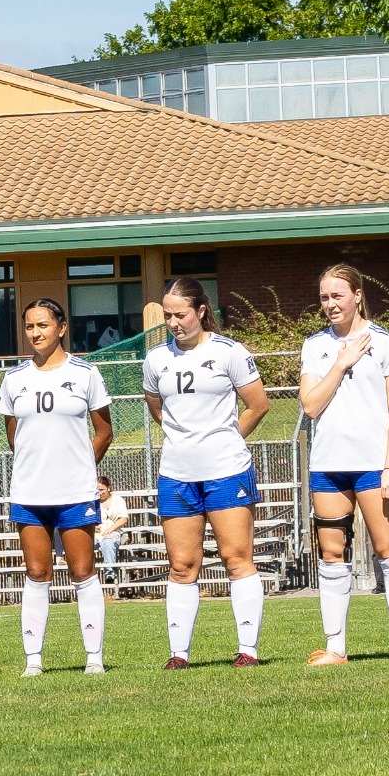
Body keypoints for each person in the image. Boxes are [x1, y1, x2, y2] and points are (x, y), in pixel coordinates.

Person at [142, 276, 271, 667]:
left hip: (226, 470)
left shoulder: (230, 352)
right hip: (177, 474)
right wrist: (186, 440)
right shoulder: (156, 359)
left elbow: (258, 405)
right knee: (181, 564)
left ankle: (247, 650)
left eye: (181, 314)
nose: (174, 322)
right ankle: (179, 655)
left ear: (200, 311)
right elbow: (156, 406)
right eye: (167, 316)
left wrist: (225, 440)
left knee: (236, 558)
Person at [299, 263, 389, 665]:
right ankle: (336, 648)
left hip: (373, 464)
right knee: (332, 553)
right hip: (328, 466)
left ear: (358, 295)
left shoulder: (385, 342)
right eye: (324, 298)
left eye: (337, 296)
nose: (330, 304)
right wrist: (342, 362)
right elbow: (311, 405)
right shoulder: (315, 346)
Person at [0, 299, 114, 676]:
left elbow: (103, 431)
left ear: (61, 328)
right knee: (36, 572)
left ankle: (94, 659)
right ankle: (34, 662)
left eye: (43, 325)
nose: (36, 333)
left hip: (74, 491)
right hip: (30, 493)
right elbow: (14, 435)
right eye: (30, 326)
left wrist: (79, 467)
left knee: (83, 571)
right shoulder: (14, 378)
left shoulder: (85, 373)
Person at [95, 476, 129, 570]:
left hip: (113, 532)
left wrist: (110, 530)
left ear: (108, 488)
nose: (100, 493)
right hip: (97, 534)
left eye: (102, 490)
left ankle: (110, 572)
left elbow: (124, 519)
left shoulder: (118, 500)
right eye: (97, 490)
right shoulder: (93, 502)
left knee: (108, 541)